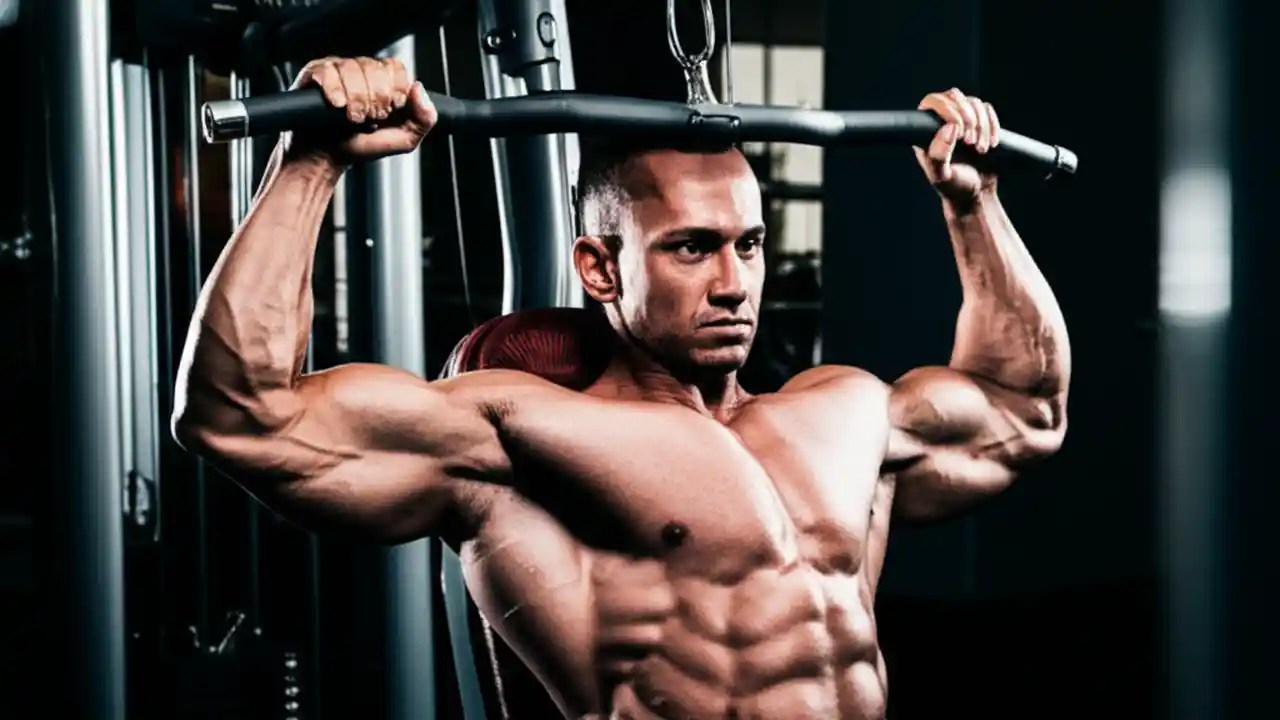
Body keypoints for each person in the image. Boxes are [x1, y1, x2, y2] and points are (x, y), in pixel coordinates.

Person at [172, 55, 1070, 719]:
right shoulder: (526, 436)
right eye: (692, 248)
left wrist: (973, 202)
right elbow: (240, 415)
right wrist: (311, 163)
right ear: (600, 268)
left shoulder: (844, 413)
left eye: (749, 245)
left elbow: (1023, 409)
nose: (734, 284)